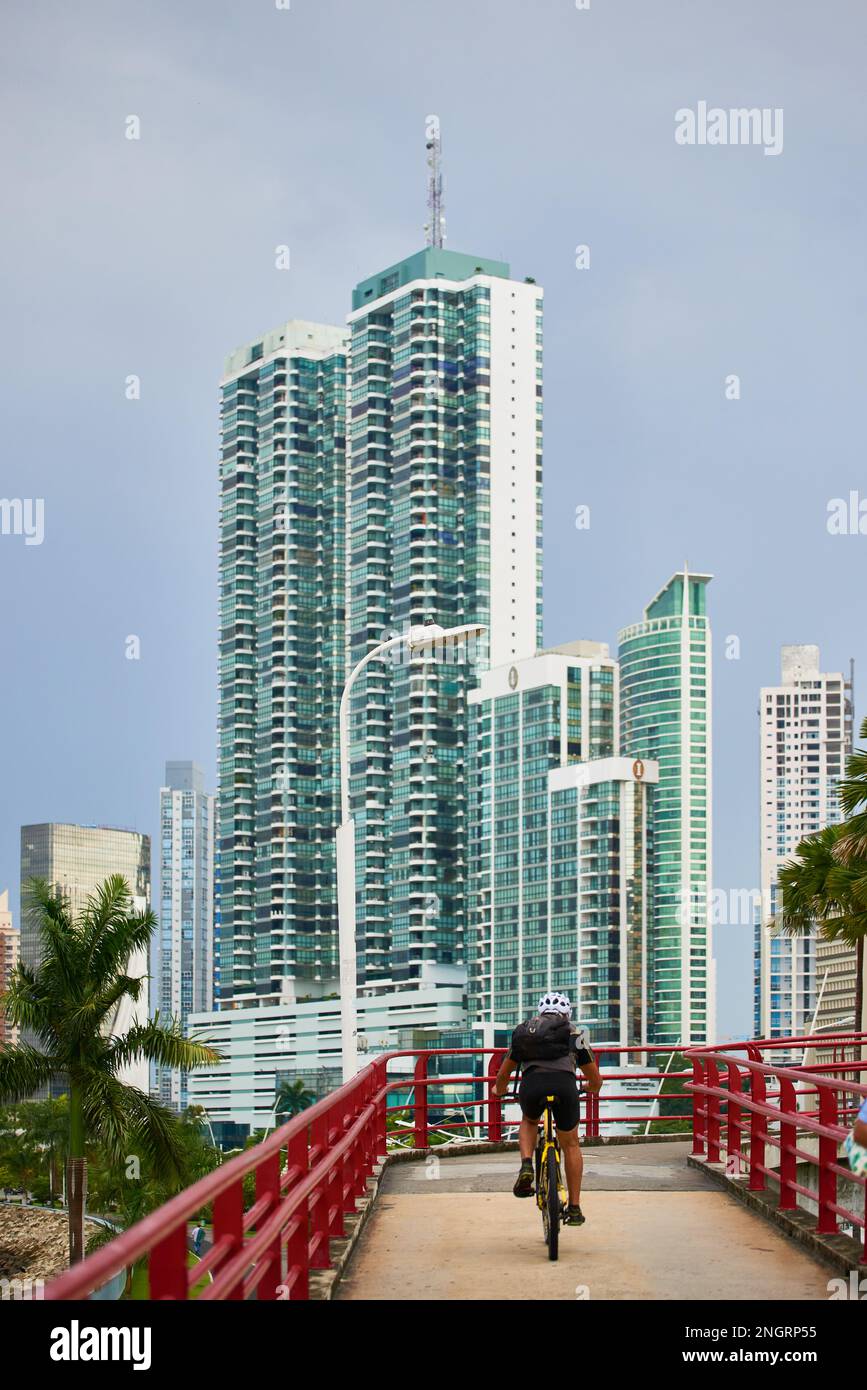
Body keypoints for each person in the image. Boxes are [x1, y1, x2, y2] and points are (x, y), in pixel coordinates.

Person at [492, 991, 602, 1227]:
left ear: (540, 1012)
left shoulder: (526, 1032)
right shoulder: (575, 1033)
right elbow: (594, 1076)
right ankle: (574, 1208)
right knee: (571, 1144)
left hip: (533, 1086)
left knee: (530, 1121)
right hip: (565, 1087)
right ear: (567, 1013)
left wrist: (499, 1089)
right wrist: (592, 1087)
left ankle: (526, 1165)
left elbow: (504, 1073)